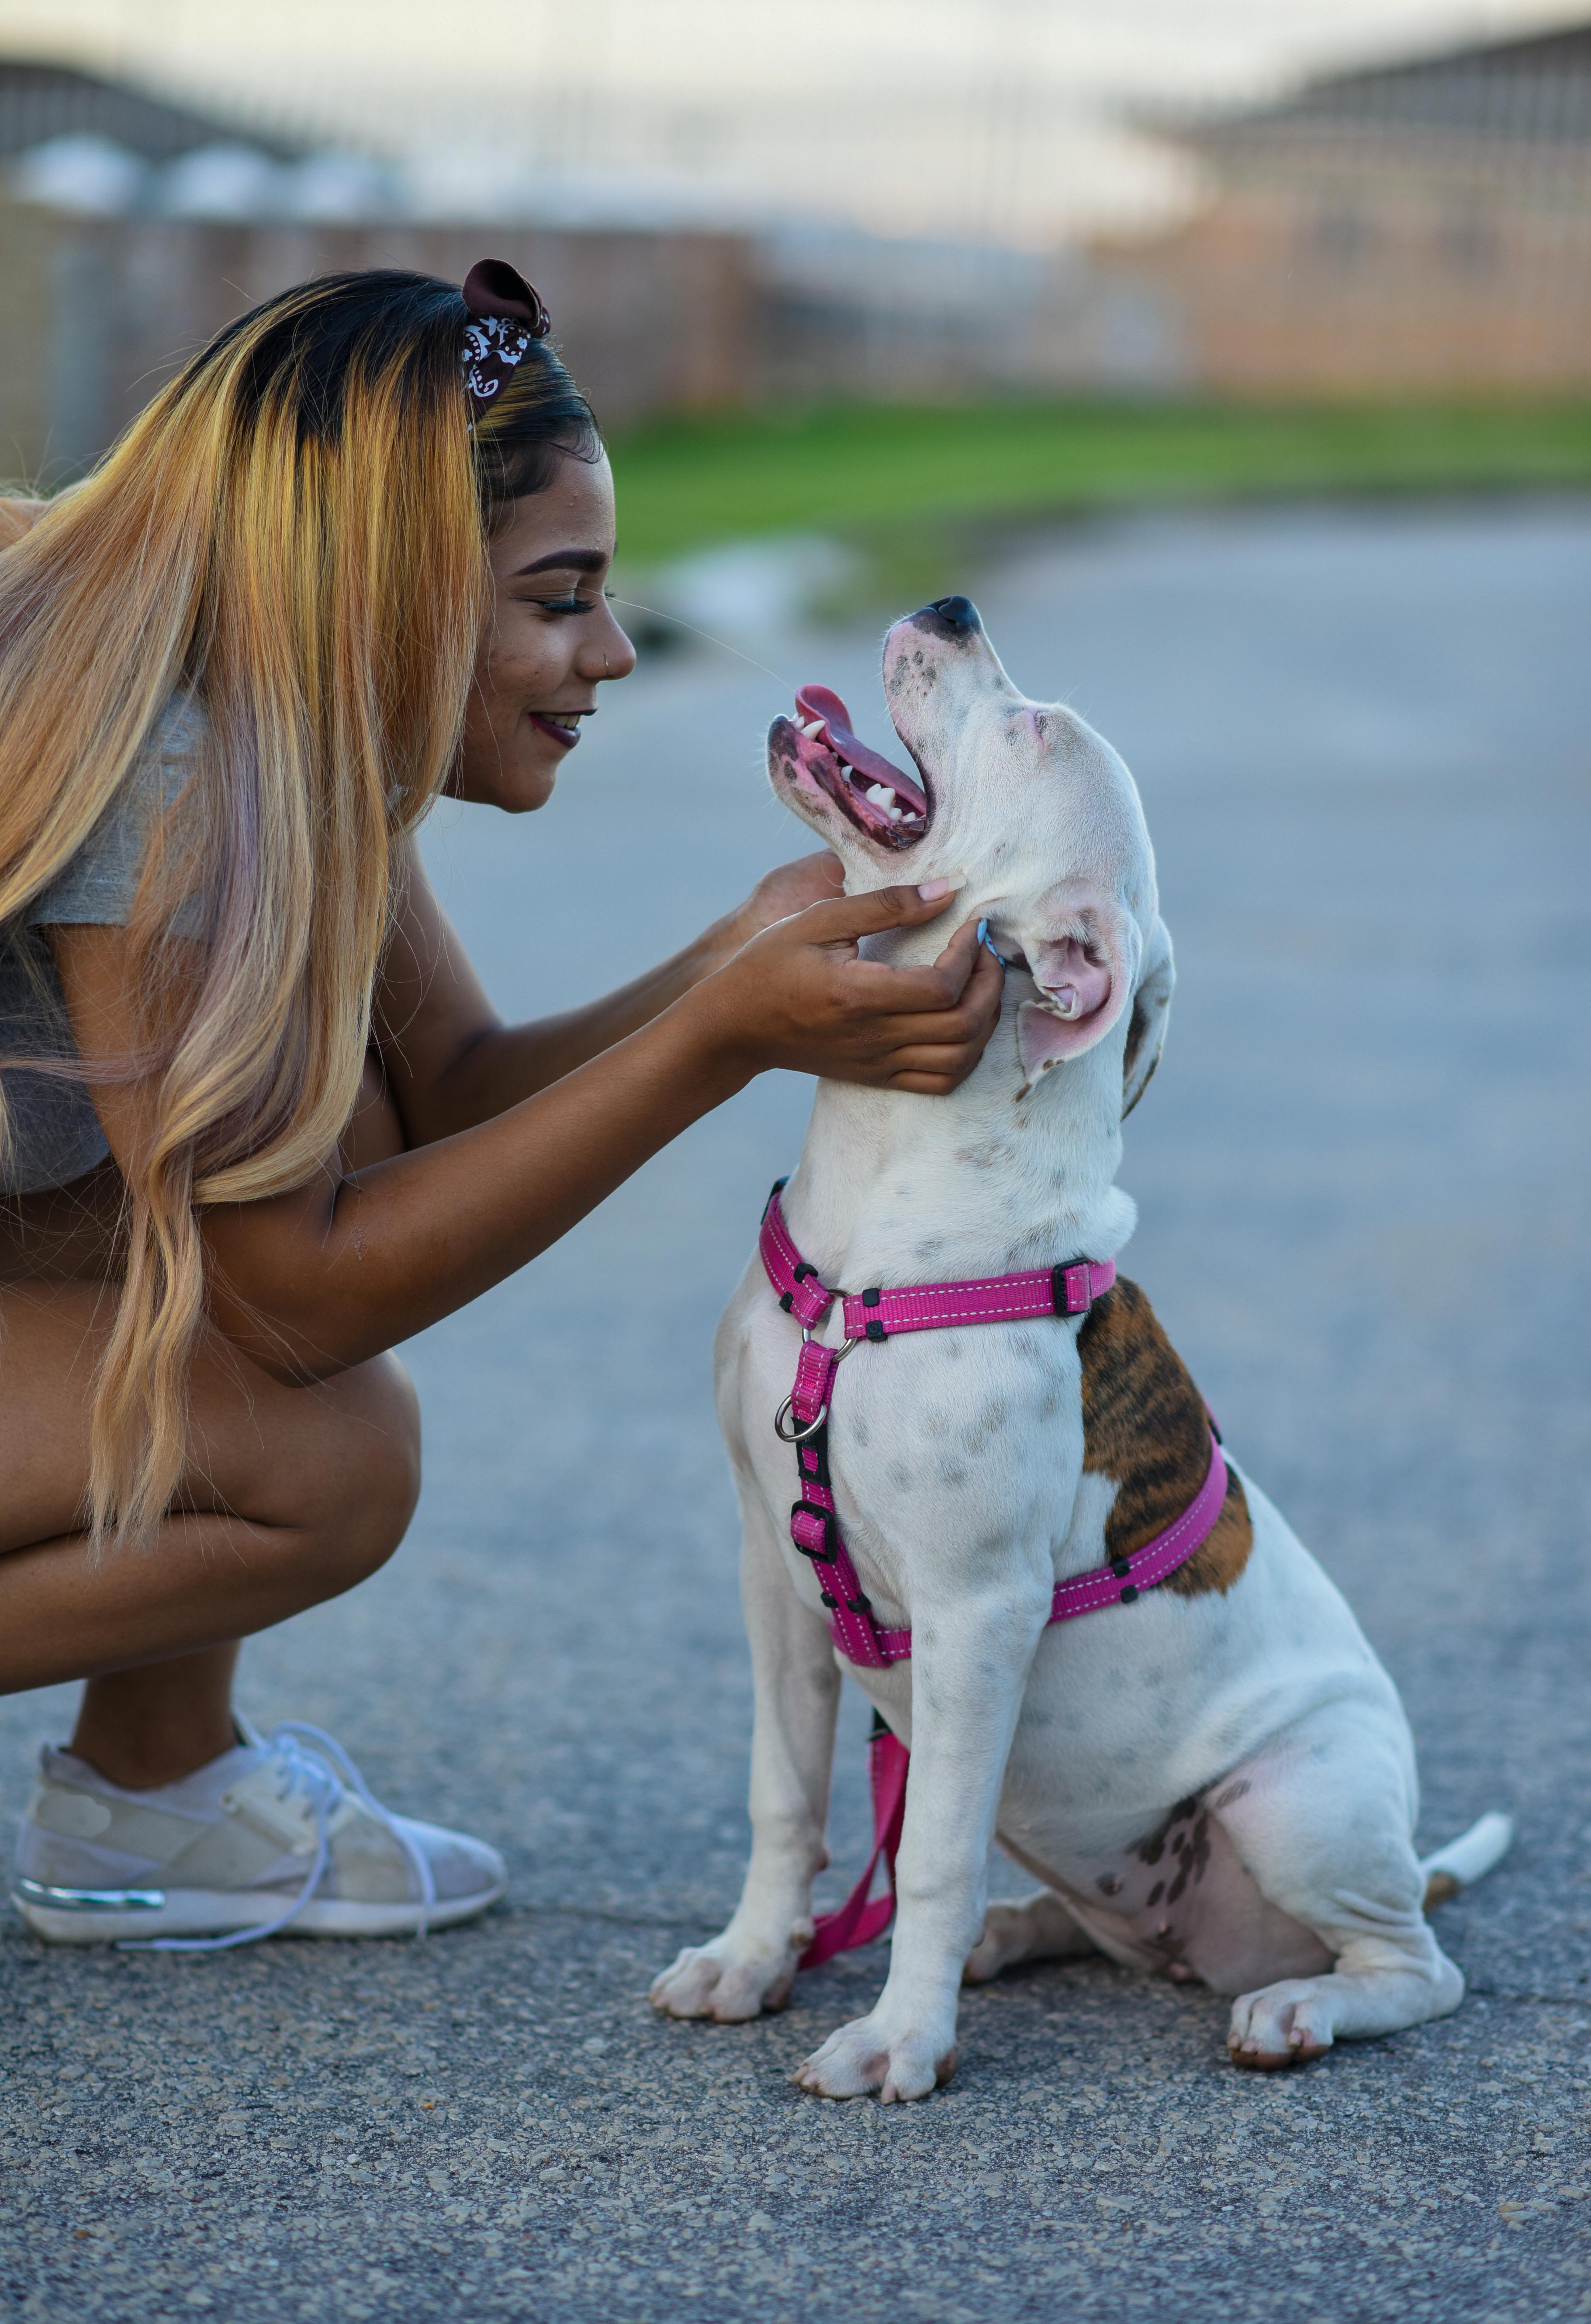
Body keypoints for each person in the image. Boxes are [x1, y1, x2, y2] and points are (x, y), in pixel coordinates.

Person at [0, 261, 1001, 1948]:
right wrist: (723, 1041)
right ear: (377, 584)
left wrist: (733, 961)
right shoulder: (164, 759)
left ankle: (153, 1793)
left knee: (317, 1133)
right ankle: (156, 1794)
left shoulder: (263, 696)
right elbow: (296, 1302)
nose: (612, 650)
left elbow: (453, 1089)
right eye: (558, 597)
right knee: (326, 1458)